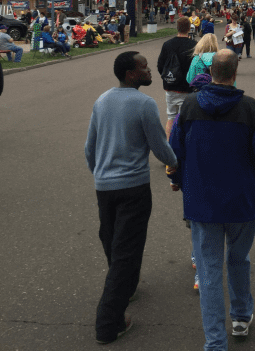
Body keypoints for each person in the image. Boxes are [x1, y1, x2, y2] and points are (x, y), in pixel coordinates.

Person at [168, 50, 255, 349]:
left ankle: (215, 341)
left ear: (211, 72)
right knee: (239, 259)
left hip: (202, 201)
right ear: (235, 72)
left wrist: (176, 178)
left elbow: (175, 149)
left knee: (209, 270)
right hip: (241, 200)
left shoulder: (189, 106)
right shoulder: (249, 108)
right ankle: (241, 316)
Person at [85, 51, 178, 344]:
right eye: (144, 67)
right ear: (130, 74)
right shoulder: (144, 104)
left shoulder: (102, 101)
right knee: (127, 250)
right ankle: (109, 323)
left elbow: (90, 147)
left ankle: (127, 286)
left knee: (112, 239)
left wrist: (100, 172)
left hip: (104, 187)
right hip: (133, 188)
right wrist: (175, 163)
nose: (150, 71)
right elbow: (159, 146)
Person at [156, 17, 196, 137]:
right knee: (188, 118)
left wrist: (168, 78)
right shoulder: (194, 45)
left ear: (177, 28)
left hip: (171, 86)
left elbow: (160, 65)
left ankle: (169, 142)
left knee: (171, 117)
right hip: (188, 88)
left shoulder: (167, 44)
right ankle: (185, 143)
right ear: (189, 29)